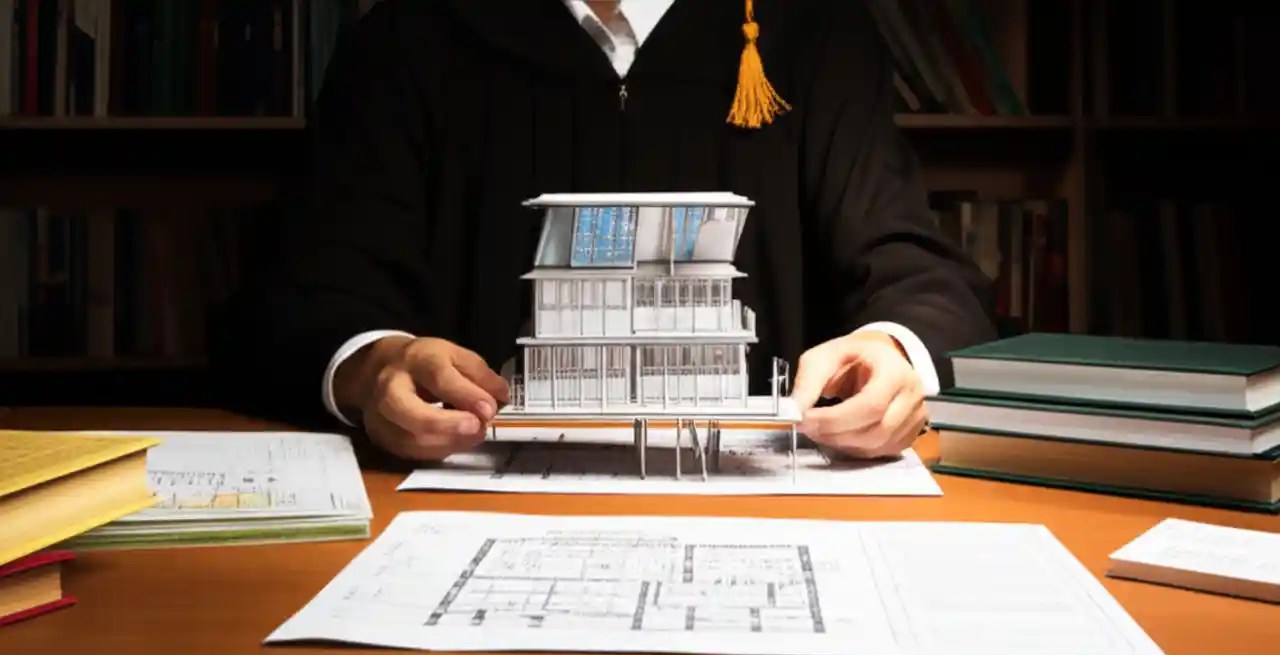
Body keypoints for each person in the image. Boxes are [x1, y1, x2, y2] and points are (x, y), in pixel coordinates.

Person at [212, 0, 996, 463]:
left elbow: (922, 277)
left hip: (759, 505)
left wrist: (896, 353)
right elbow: (306, 294)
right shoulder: (411, 37)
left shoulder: (809, 34)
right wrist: (371, 366)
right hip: (460, 500)